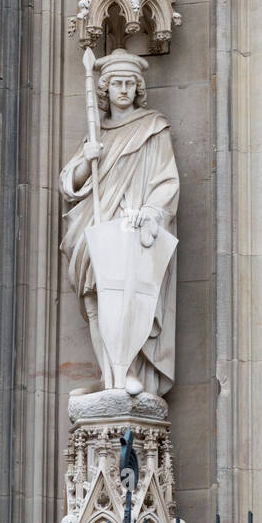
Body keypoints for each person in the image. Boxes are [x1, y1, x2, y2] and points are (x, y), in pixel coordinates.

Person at [59, 48, 179, 397]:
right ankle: (110, 374)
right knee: (96, 300)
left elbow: (166, 182)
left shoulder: (152, 128)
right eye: (116, 84)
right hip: (96, 225)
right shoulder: (98, 135)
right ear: (105, 90)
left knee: (126, 299)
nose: (124, 90)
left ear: (138, 88)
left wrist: (151, 211)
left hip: (130, 226)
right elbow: (71, 182)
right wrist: (86, 158)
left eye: (130, 83)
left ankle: (127, 367)